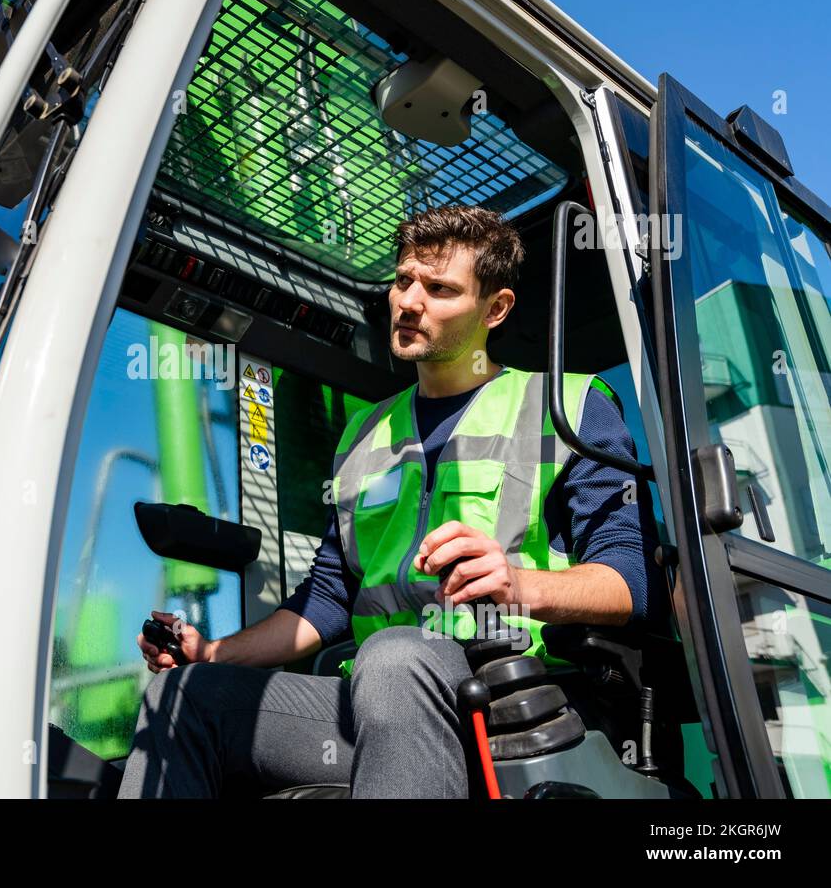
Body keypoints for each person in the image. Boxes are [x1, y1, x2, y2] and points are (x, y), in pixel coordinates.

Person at [116, 205, 668, 798]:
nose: (409, 302)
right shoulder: (362, 436)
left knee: (394, 656)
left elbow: (632, 584)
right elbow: (328, 599)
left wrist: (519, 584)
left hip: (514, 699)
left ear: (496, 308)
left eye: (439, 289)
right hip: (375, 708)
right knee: (185, 695)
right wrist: (215, 652)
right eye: (404, 280)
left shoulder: (570, 405)